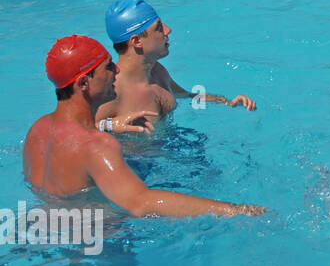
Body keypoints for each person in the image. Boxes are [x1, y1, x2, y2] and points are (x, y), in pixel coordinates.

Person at [24, 36, 263, 218]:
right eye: (108, 67)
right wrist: (237, 210)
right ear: (84, 83)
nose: (116, 70)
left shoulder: (38, 129)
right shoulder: (96, 145)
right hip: (103, 241)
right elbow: (141, 203)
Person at [95, 0, 257, 123]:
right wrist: (107, 126)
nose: (168, 30)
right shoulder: (111, 92)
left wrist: (227, 102)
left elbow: (187, 95)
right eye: (158, 27)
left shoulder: (157, 72)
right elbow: (78, 133)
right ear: (136, 41)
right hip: (137, 163)